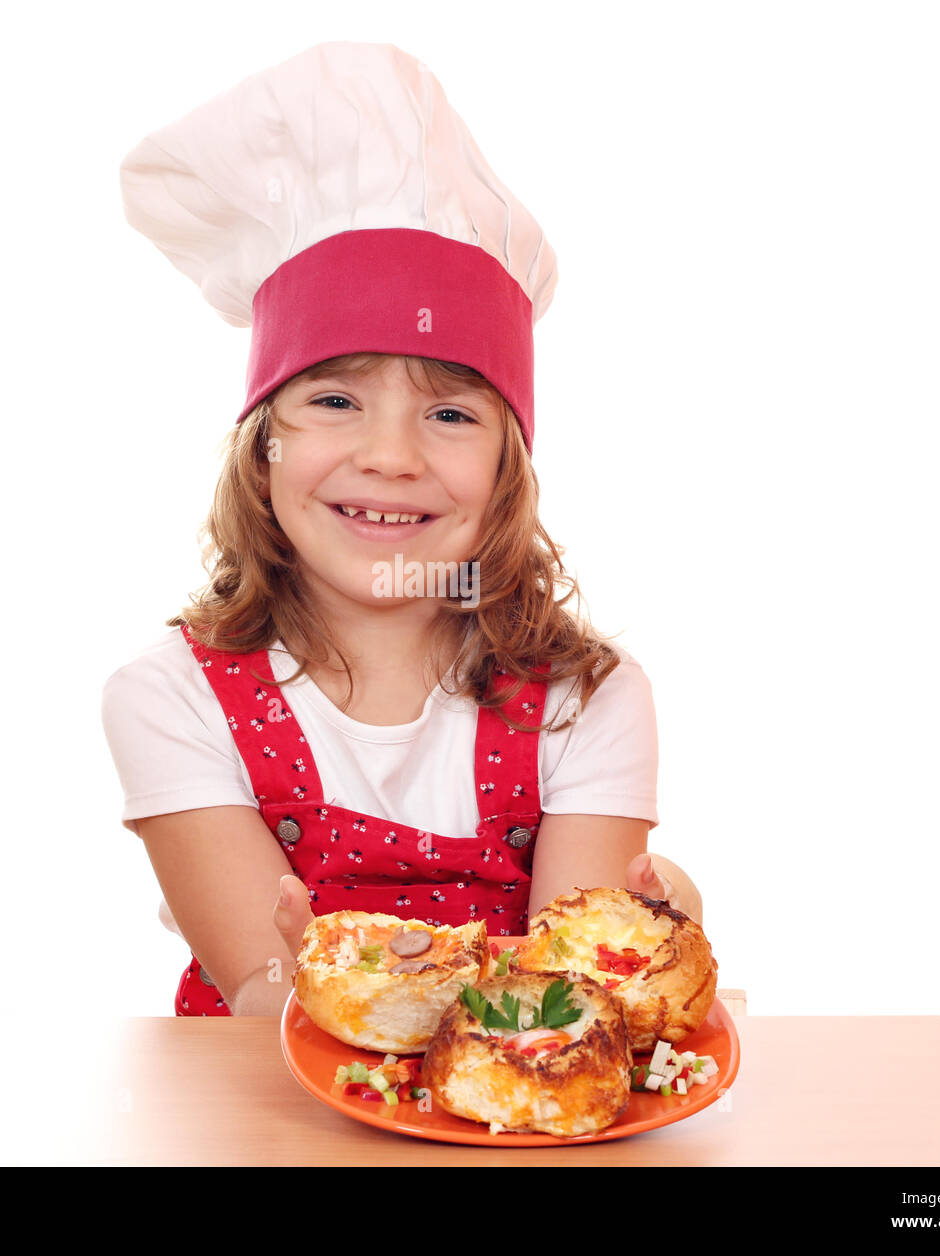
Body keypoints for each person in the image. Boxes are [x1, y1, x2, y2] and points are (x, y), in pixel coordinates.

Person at [101, 42, 703, 1017]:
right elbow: (269, 1004)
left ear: (509, 467)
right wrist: (292, 985)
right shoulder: (169, 694)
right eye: (334, 399)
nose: (389, 454)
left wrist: (650, 940)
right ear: (262, 445)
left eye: (451, 413)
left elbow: (560, 1010)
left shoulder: (588, 701)